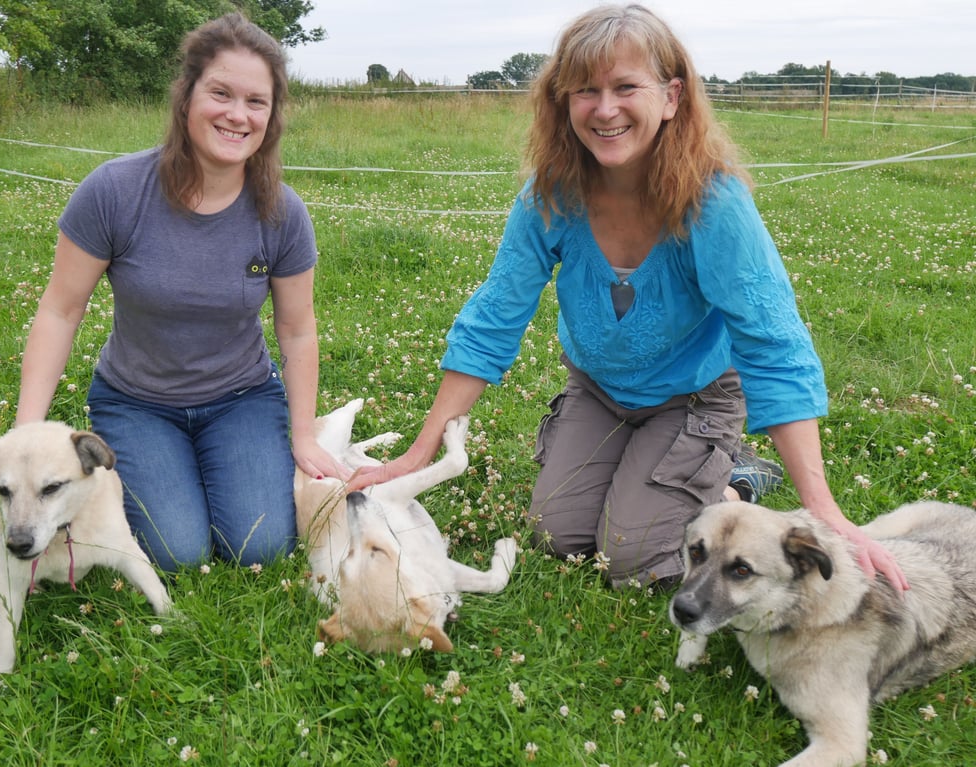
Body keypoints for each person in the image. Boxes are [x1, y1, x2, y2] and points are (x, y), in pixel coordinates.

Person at [348, 4, 907, 592]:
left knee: (634, 559)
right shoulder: (550, 196)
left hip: (693, 397)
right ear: (563, 102)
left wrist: (822, 507)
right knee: (554, 535)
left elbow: (772, 343)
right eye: (585, 90)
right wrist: (418, 452)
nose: (605, 108)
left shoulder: (713, 204)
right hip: (599, 389)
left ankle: (738, 481)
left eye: (625, 87)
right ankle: (655, 473)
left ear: (671, 97)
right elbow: (494, 318)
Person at [16, 13, 348, 572]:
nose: (237, 114)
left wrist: (303, 435)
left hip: (241, 395)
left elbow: (296, 328)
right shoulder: (114, 191)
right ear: (186, 95)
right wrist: (29, 433)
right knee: (178, 552)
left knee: (259, 547)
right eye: (220, 93)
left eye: (256, 101)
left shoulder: (282, 212)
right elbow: (60, 310)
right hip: (135, 400)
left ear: (272, 116)